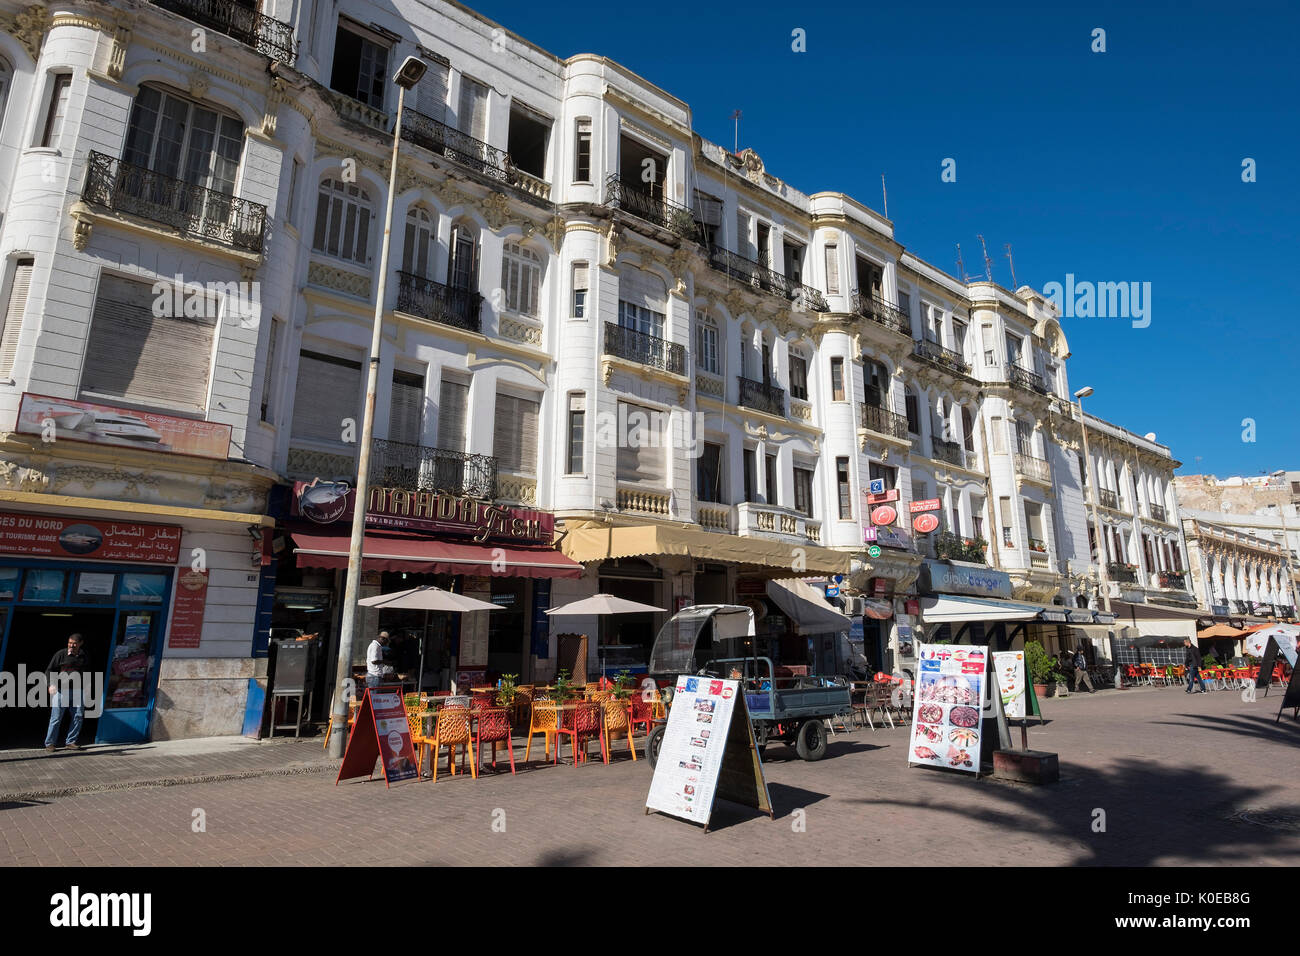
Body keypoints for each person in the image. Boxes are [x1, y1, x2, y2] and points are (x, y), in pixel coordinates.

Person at [45, 633, 89, 753]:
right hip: (61, 690)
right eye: (70, 643)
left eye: (74, 644)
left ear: (80, 644)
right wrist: (51, 684)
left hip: (77, 691)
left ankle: (70, 742)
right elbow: (49, 669)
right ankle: (50, 743)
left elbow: (84, 672)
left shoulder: (83, 655)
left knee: (78, 716)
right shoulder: (61, 654)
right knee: (56, 718)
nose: (71, 646)